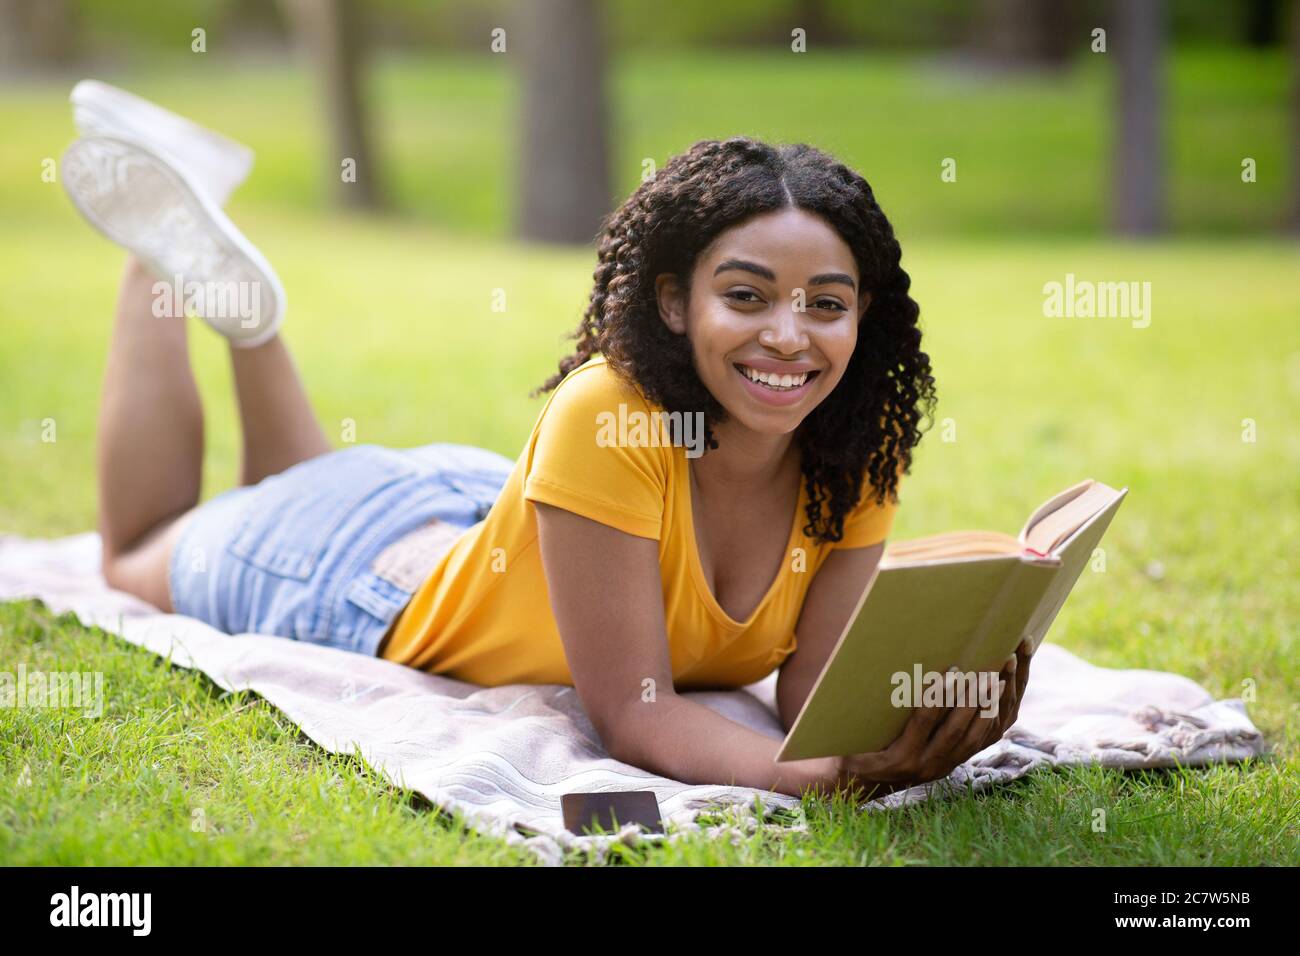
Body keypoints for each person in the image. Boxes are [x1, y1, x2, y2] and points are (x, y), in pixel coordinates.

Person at [61, 81, 1031, 804]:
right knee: (134, 545)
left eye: (826, 304)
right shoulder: (605, 413)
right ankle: (160, 248)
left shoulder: (852, 443)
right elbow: (638, 710)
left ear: (864, 321)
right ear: (671, 299)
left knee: (291, 481)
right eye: (745, 295)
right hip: (359, 567)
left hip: (477, 509)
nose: (789, 333)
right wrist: (818, 778)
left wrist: (925, 712)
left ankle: (240, 305)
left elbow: (812, 689)